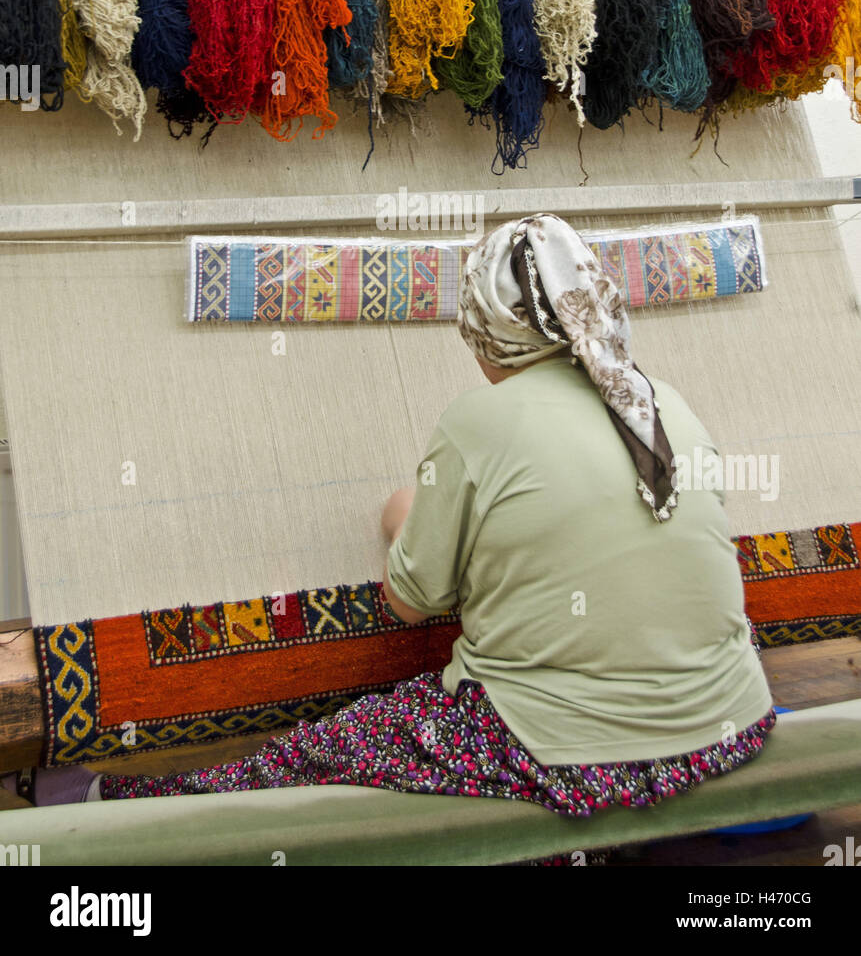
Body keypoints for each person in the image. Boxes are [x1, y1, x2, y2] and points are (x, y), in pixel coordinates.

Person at [3, 214, 774, 862]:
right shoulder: (660, 400)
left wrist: (401, 516)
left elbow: (410, 602)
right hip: (730, 726)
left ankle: (113, 810)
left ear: (491, 333)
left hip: (562, 750)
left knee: (315, 757)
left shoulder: (480, 422)